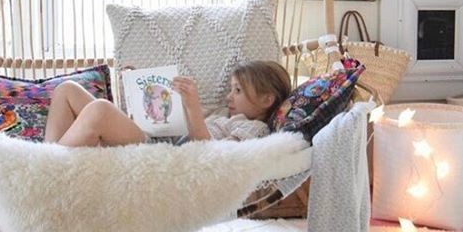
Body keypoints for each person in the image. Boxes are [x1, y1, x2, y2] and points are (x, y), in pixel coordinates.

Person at [43, 60, 291, 147]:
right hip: (152, 133)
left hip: (159, 148)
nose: (229, 96)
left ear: (266, 99)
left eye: (237, 90)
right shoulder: (222, 113)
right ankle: (39, 158)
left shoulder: (254, 130)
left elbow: (212, 155)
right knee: (67, 90)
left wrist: (193, 106)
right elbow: (166, 115)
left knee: (99, 111)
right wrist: (138, 85)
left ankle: (47, 167)